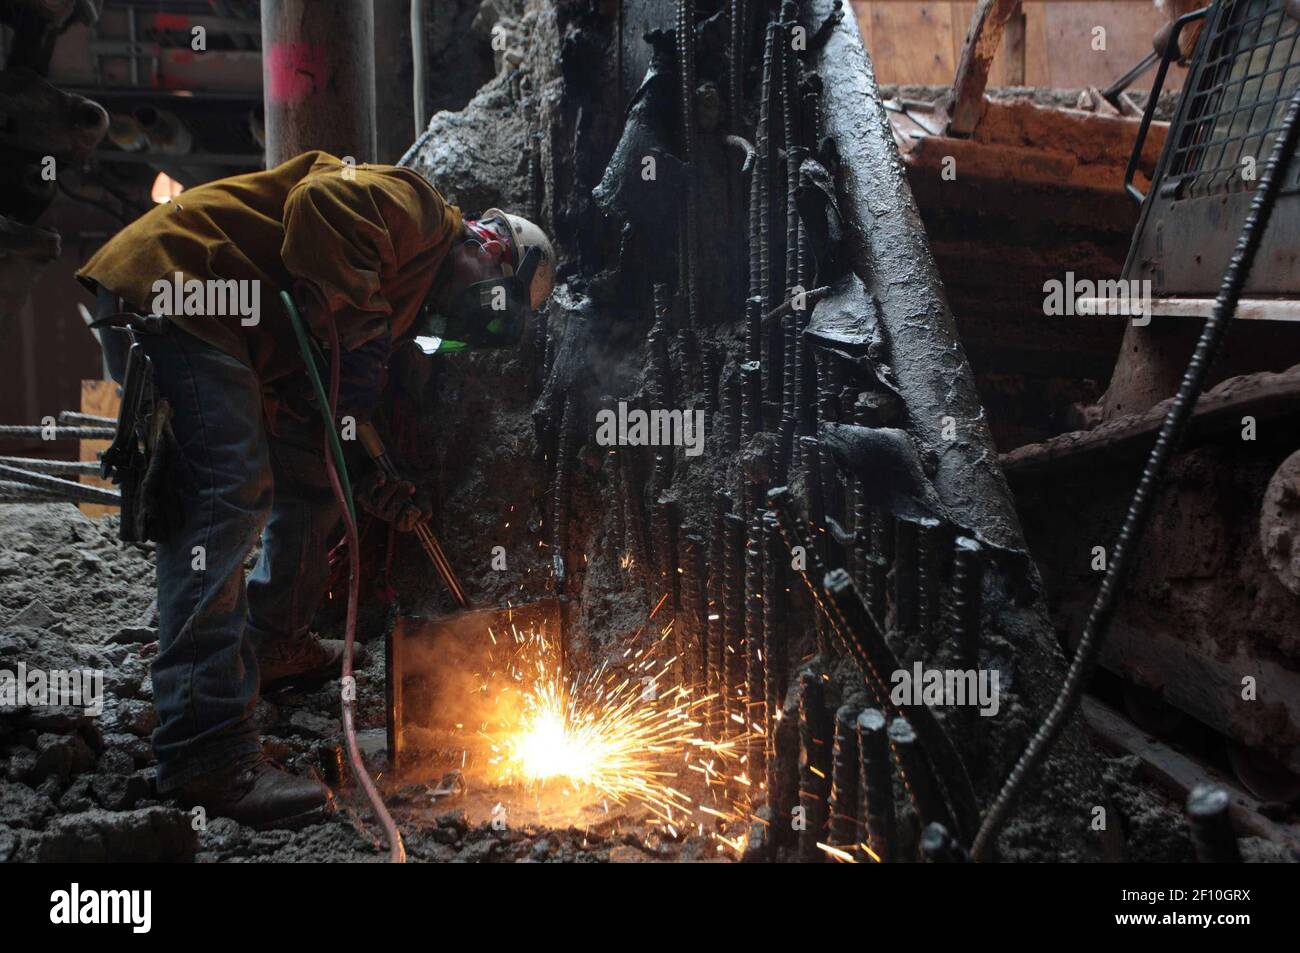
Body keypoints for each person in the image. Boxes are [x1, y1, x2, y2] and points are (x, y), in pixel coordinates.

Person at [76, 150, 555, 827]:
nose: (472, 325)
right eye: (489, 304)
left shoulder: (408, 303)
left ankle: (274, 637)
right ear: (489, 244)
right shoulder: (421, 211)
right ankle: (205, 749)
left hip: (227, 326)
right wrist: (359, 345)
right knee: (225, 497)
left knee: (309, 480)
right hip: (185, 284)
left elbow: (313, 411)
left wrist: (361, 475)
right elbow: (319, 207)